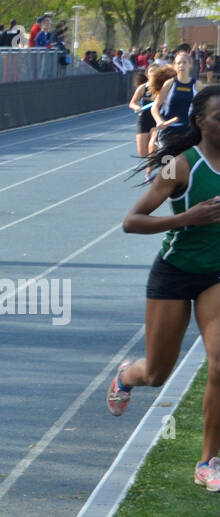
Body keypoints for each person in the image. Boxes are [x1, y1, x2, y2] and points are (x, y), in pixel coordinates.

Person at [112, 86, 220, 491]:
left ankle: (209, 461)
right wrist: (187, 218)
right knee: (156, 373)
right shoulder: (181, 167)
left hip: (216, 276)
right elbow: (132, 221)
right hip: (174, 273)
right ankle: (127, 375)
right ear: (200, 123)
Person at [152, 49, 195, 149]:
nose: (181, 65)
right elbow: (155, 107)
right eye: (178, 63)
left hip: (188, 131)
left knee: (185, 164)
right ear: (175, 66)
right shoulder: (169, 84)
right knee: (169, 163)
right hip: (168, 132)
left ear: (190, 65)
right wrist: (159, 121)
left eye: (184, 62)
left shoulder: (197, 85)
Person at [129, 69, 154, 160]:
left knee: (153, 148)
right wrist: (136, 107)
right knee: (143, 153)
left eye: (156, 72)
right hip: (144, 119)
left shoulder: (163, 87)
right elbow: (132, 103)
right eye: (152, 72)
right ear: (147, 75)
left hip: (157, 120)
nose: (154, 74)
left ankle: (150, 172)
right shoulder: (142, 88)